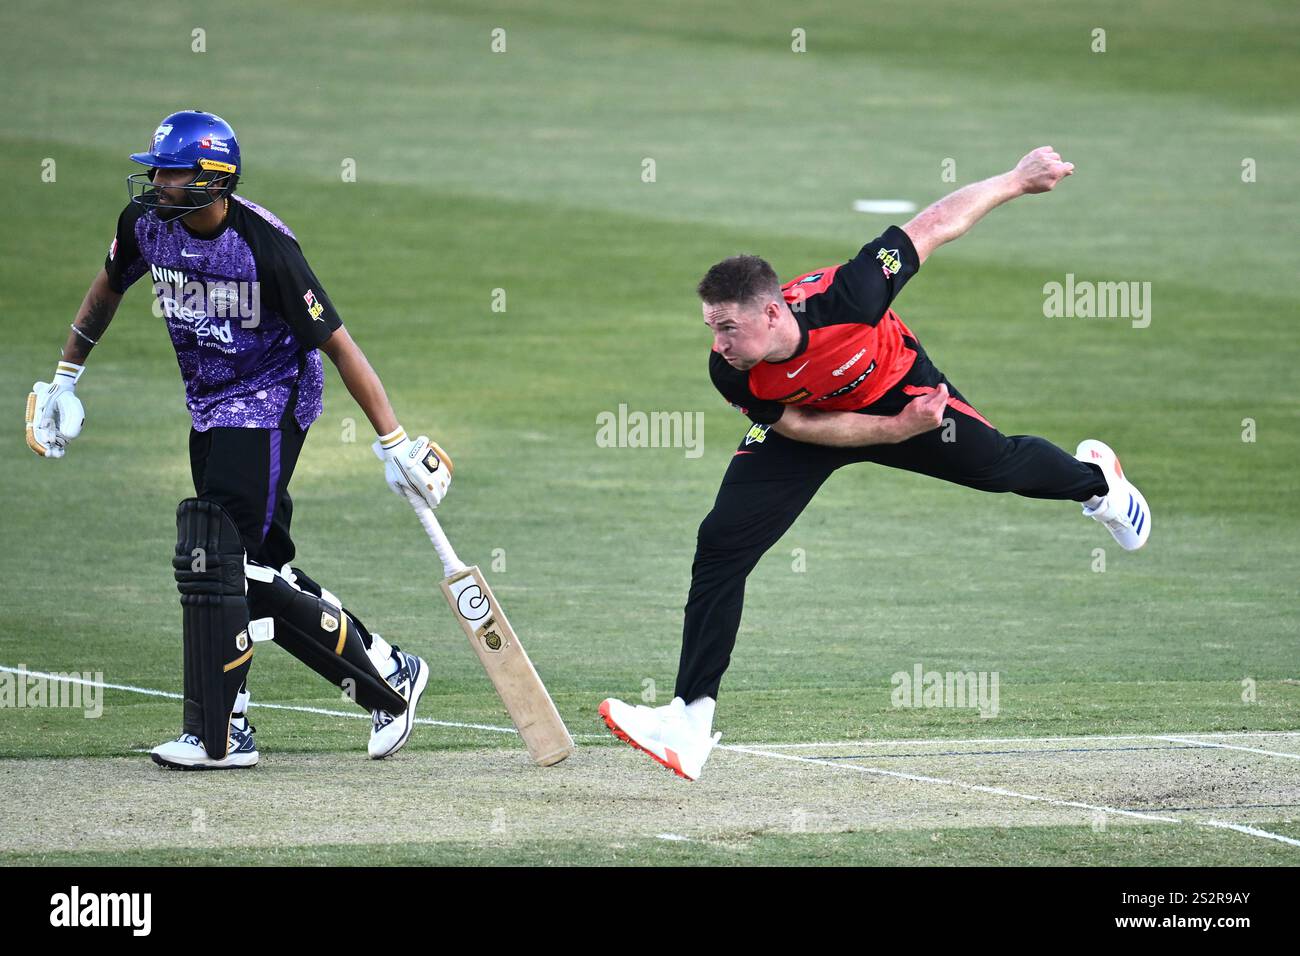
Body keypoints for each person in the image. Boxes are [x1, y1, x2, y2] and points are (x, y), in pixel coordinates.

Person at [599, 147, 1151, 781]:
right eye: (710, 327)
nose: (718, 344)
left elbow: (936, 223)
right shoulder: (732, 370)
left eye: (728, 327)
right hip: (825, 424)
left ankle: (1100, 483)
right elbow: (802, 425)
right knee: (721, 543)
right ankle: (691, 721)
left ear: (773, 312)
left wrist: (1018, 181)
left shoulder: (854, 292)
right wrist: (889, 434)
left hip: (904, 394)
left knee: (1000, 466)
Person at [25, 110, 453, 769]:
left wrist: (394, 440)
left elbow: (338, 344)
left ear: (214, 179)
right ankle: (387, 667)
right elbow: (107, 287)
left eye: (172, 172)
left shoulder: (265, 248)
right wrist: (64, 377)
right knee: (260, 568)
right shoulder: (145, 225)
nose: (158, 182)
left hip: (271, 401)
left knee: (221, 560)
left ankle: (226, 731)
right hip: (208, 405)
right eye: (157, 170)